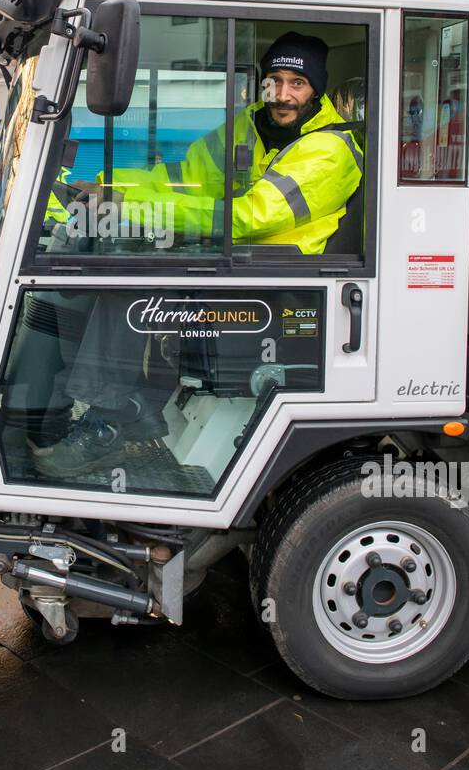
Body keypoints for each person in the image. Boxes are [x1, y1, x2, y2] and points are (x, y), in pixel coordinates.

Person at [32, 32, 364, 477]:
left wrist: (140, 209)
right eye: (275, 81)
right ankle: (109, 405)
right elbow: (184, 176)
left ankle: (109, 421)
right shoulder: (251, 124)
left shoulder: (330, 150)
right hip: (238, 267)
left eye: (297, 84)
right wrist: (113, 188)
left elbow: (252, 216)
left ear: (315, 90)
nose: (283, 95)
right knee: (108, 269)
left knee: (132, 290)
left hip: (285, 283)